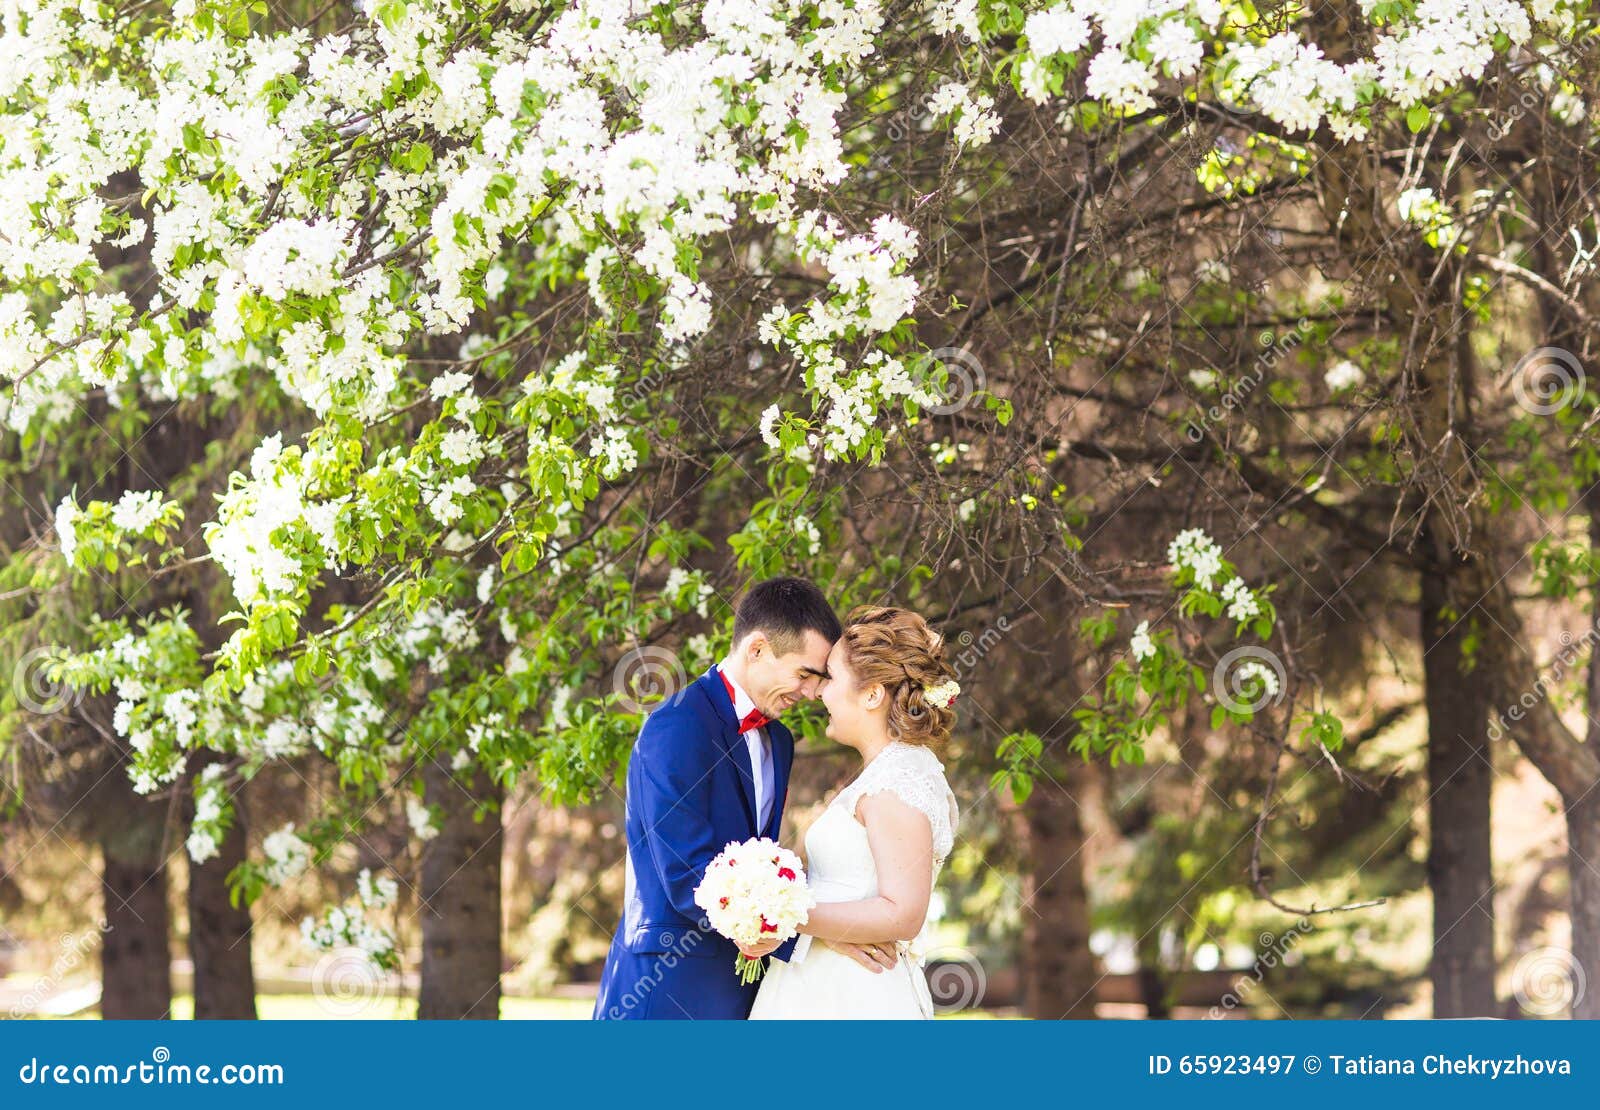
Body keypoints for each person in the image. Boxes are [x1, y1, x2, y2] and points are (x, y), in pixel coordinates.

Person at [748, 604, 961, 1019]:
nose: (819, 692)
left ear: (872, 694)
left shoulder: (898, 777)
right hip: (828, 985)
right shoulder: (883, 772)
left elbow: (902, 913)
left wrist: (785, 913)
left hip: (856, 997)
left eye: (831, 677)